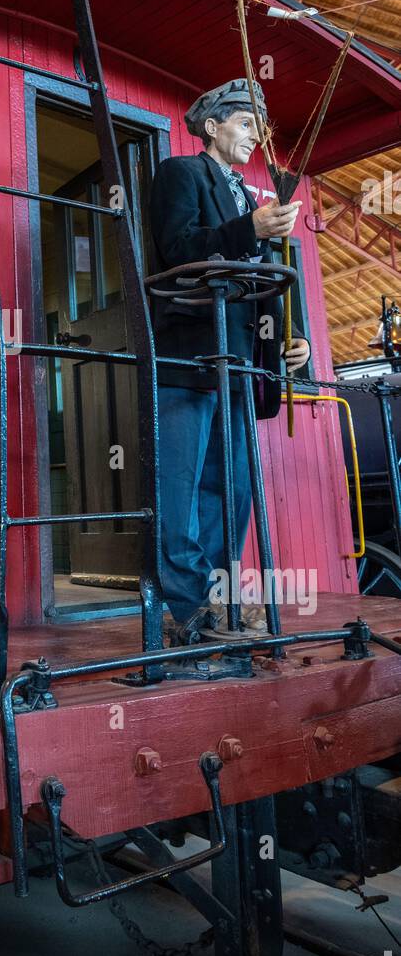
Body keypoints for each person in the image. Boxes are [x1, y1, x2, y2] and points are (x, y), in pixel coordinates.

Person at [149, 78, 310, 642]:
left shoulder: (252, 198)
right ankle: (187, 608)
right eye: (245, 124)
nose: (254, 138)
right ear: (212, 127)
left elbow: (271, 281)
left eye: (259, 130)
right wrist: (249, 229)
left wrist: (294, 340)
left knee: (235, 486)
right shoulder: (180, 174)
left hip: (242, 365)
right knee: (183, 485)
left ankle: (219, 601)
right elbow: (179, 247)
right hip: (189, 357)